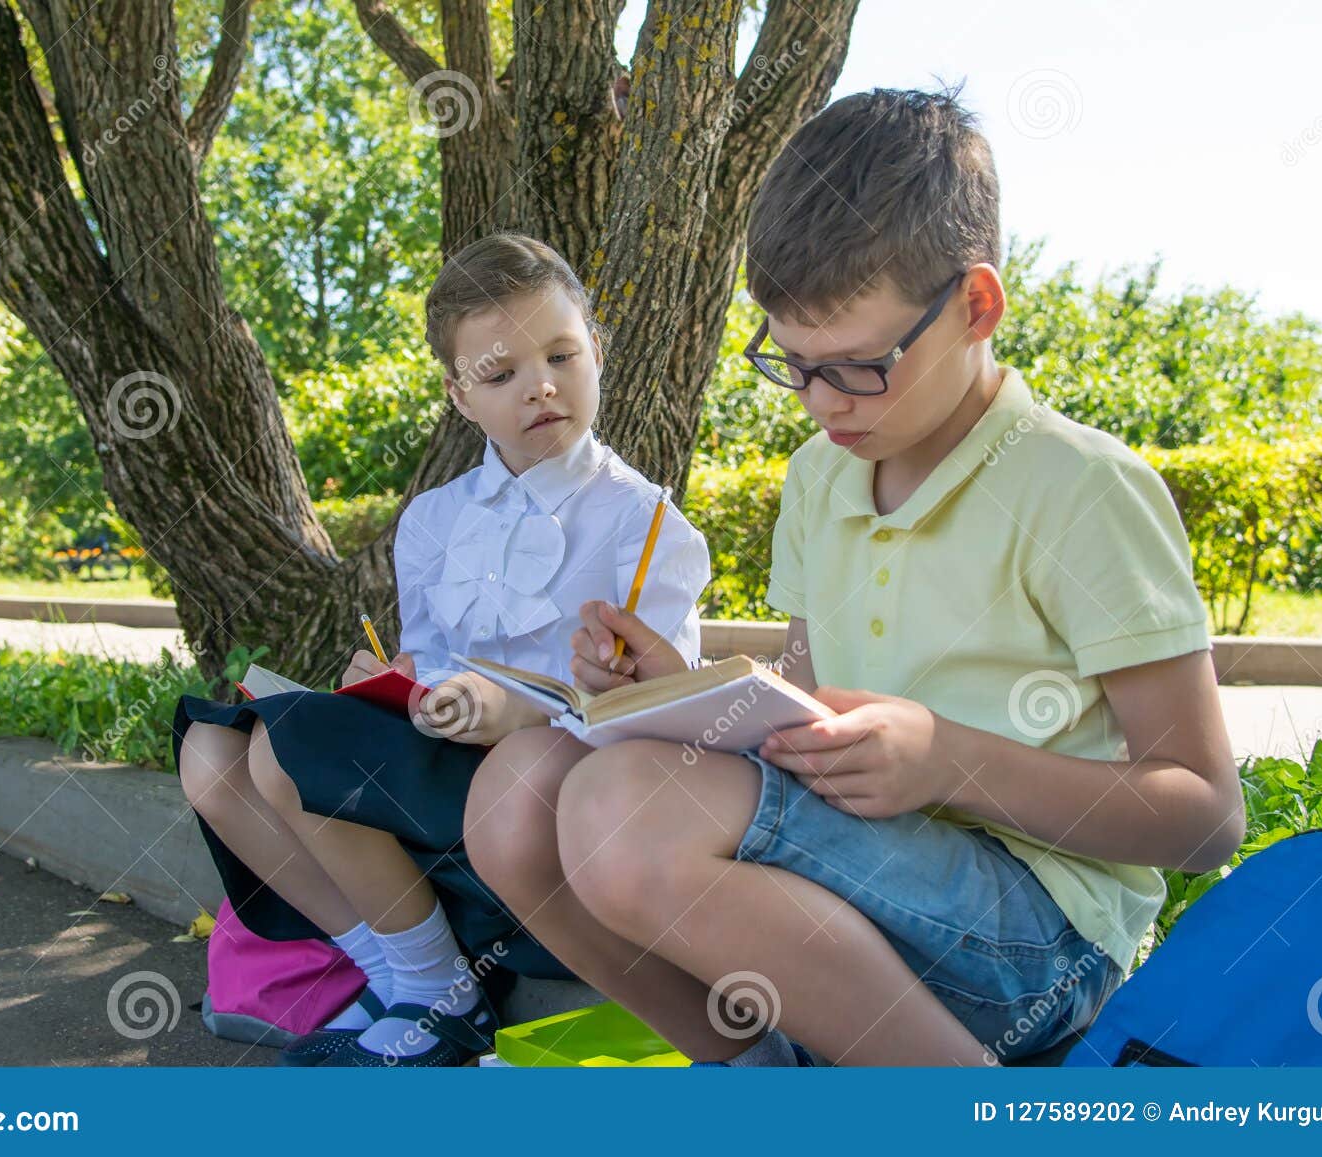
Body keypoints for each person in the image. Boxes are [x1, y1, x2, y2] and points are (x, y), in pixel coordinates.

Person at [465, 88, 1244, 1066]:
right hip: (862, 885)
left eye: (857, 365)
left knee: (620, 807)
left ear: (975, 305)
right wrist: (676, 689)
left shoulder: (1079, 489)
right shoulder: (820, 475)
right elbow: (805, 709)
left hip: (1039, 946)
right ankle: (772, 1075)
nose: (820, 400)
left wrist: (946, 759)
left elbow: (1205, 814)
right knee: (518, 791)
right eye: (789, 363)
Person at [172, 232, 710, 1067]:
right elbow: (427, 658)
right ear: (460, 395)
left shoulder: (643, 524)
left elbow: (666, 719)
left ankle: (441, 997)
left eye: (562, 355)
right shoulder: (431, 519)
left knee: (292, 748)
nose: (540, 385)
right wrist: (396, 685)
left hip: (543, 811)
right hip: (433, 779)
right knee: (212, 749)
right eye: (500, 374)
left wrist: (512, 706)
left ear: (596, 353)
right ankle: (394, 975)